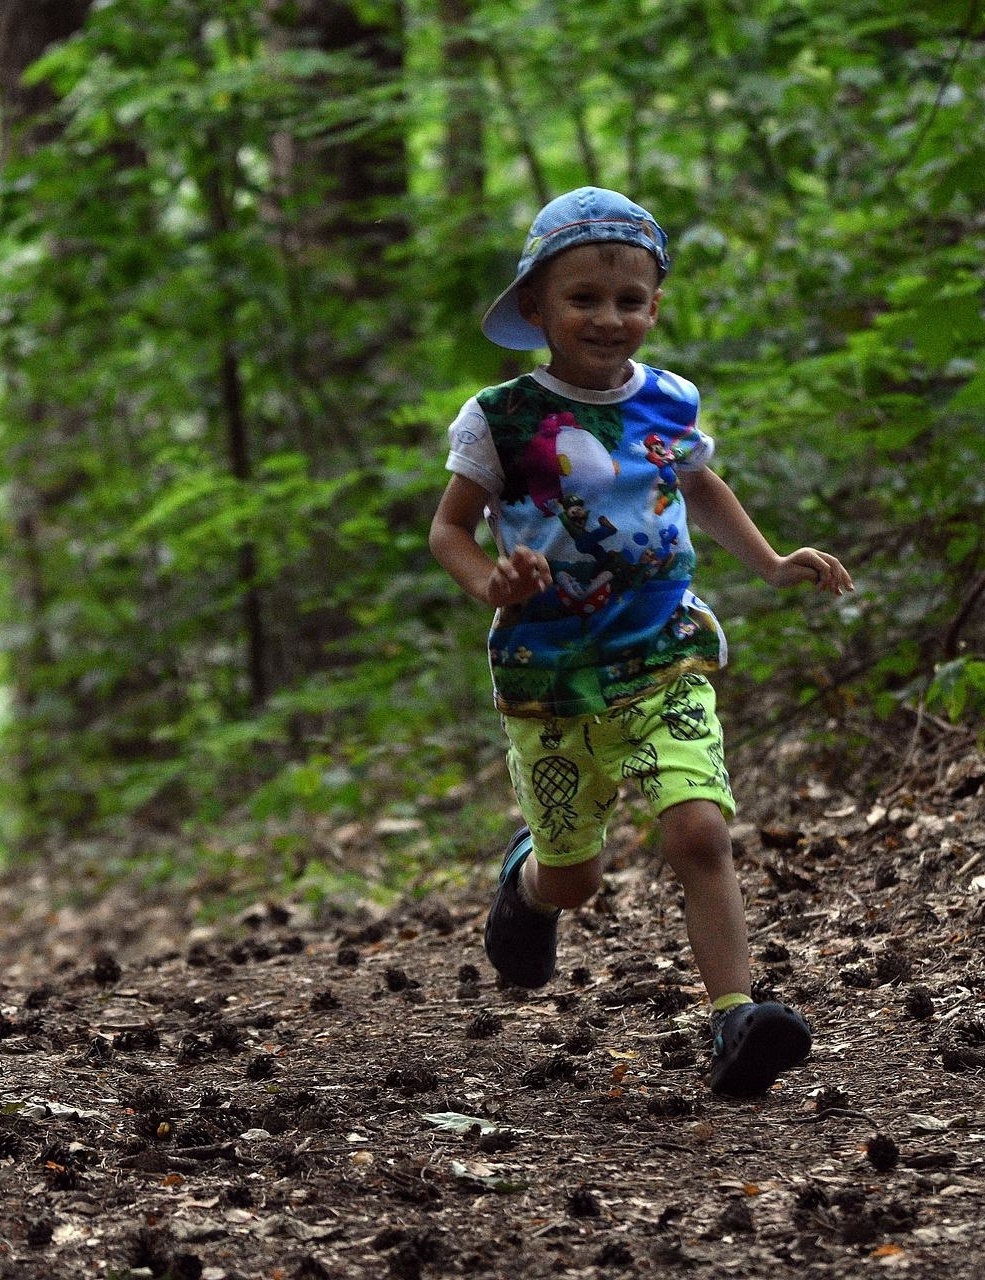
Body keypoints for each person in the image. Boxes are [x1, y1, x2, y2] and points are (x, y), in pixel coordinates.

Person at [428, 187, 853, 1096]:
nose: (608, 318)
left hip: (667, 652)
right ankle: (528, 886)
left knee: (699, 830)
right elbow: (450, 533)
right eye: (582, 298)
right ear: (536, 309)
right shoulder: (498, 419)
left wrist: (772, 563)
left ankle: (736, 1019)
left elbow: (699, 487)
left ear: (654, 306)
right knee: (576, 878)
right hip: (550, 678)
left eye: (629, 300)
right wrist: (488, 582)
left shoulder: (668, 401)